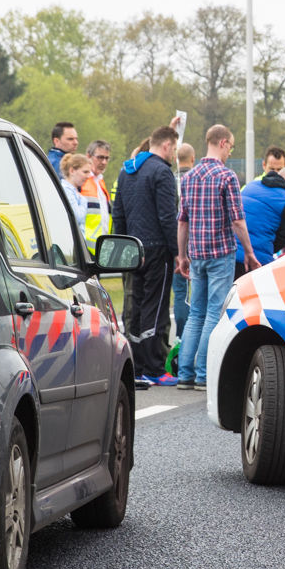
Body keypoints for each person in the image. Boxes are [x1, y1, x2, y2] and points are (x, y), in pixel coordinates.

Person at [175, 126, 260, 389]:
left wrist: (182, 255)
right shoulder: (227, 176)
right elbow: (237, 220)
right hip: (221, 252)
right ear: (223, 142)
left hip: (197, 253)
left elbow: (182, 221)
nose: (230, 152)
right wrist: (249, 252)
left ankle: (185, 374)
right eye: (231, 146)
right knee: (214, 312)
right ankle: (204, 374)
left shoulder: (189, 177)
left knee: (195, 313)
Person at [112, 124, 181, 386]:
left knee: (135, 308)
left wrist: (123, 247)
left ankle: (137, 365)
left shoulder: (126, 170)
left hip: (132, 248)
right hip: (156, 249)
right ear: (166, 145)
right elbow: (167, 217)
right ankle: (154, 367)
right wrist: (178, 253)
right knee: (156, 307)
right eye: (174, 149)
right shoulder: (162, 172)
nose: (174, 154)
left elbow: (118, 213)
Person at [236, 157, 285, 275]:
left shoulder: (250, 185)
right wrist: (268, 248)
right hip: (257, 260)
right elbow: (283, 238)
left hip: (229, 253)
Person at [171, 141, 195, 346]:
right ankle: (194, 335)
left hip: (176, 242)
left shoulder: (169, 180)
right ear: (193, 159)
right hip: (196, 242)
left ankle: (180, 335)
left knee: (180, 293)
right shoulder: (197, 180)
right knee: (198, 292)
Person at [79, 140, 115, 243]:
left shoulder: (100, 182)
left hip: (100, 244)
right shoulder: (81, 181)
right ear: (88, 157)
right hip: (84, 244)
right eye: (100, 157)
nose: (104, 162)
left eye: (106, 158)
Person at [58, 153, 95, 231]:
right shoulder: (67, 191)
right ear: (72, 171)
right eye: (85, 172)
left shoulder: (72, 191)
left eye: (89, 172)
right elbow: (77, 217)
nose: (88, 176)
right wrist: (83, 200)